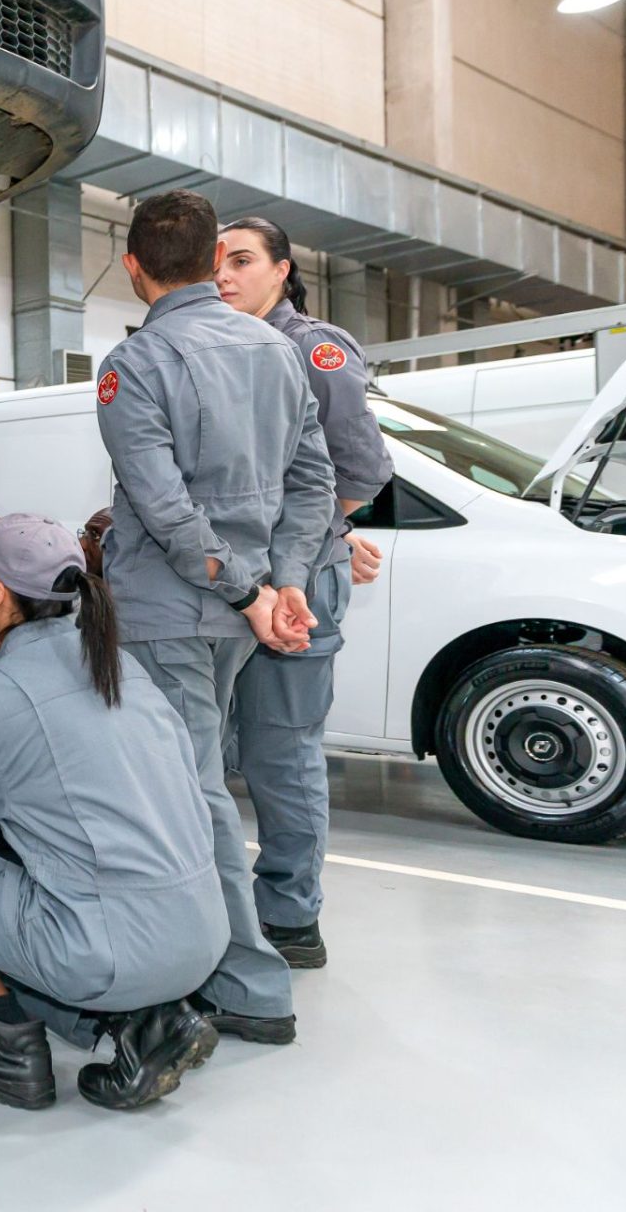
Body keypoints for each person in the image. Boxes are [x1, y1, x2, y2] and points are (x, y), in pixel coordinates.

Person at [0, 516, 227, 1112]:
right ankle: (139, 1025)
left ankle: (6, 1044)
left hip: (103, 953)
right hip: (202, 937)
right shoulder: (121, 668)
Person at [93, 189, 337, 1045]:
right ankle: (203, 953)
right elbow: (316, 483)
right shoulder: (277, 353)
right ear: (210, 264)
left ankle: (250, 984)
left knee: (193, 793)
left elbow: (164, 512)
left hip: (176, 613)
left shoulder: (140, 363)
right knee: (202, 785)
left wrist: (247, 590)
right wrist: (285, 581)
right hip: (246, 612)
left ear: (134, 267)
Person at [217, 216, 395, 968]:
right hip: (228, 586)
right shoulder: (217, 348)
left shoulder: (311, 349)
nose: (225, 274)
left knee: (280, 753)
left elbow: (361, 469)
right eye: (215, 261)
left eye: (244, 259)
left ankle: (291, 918)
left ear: (283, 269)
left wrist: (316, 541)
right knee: (217, 749)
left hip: (289, 588)